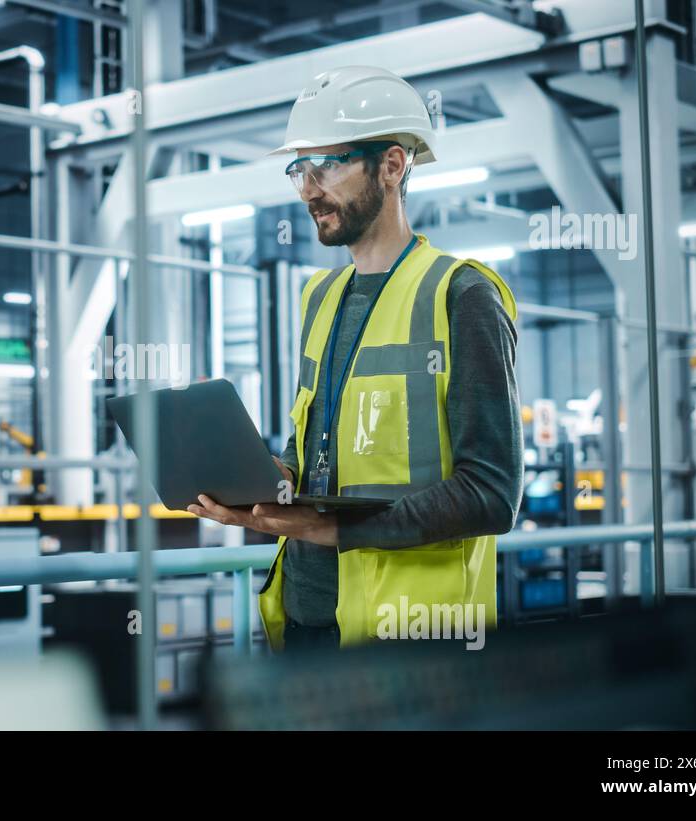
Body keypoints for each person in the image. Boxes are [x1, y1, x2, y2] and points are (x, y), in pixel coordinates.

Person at [187, 66, 524, 651]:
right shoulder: (319, 298)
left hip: (411, 638)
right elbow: (310, 461)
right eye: (300, 170)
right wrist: (259, 483)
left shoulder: (462, 295)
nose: (310, 189)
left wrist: (326, 526)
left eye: (329, 165)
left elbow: (491, 494)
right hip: (303, 622)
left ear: (392, 166)